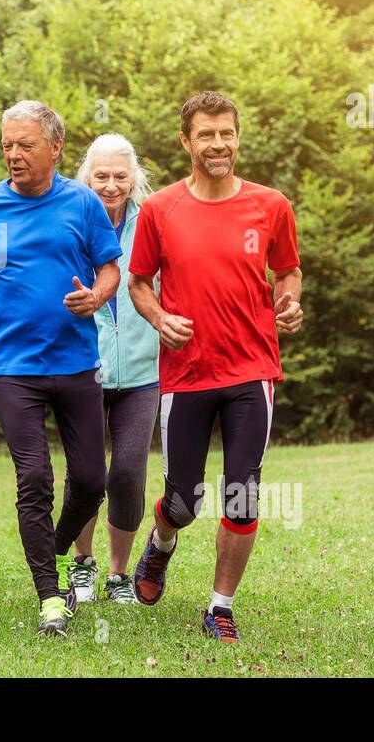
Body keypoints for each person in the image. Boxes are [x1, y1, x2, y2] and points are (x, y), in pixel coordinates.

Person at [127, 91, 304, 643]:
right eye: (206, 134)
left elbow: (288, 271)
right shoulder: (160, 210)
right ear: (187, 141)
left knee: (242, 491)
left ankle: (220, 607)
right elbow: (137, 283)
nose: (219, 143)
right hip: (187, 374)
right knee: (183, 501)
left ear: (237, 136)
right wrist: (159, 318)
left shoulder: (270, 205)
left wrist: (290, 300)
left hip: (252, 371)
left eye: (226, 132)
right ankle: (160, 546)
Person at [0, 100, 122, 637]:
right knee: (35, 478)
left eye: (25, 145)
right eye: (7, 146)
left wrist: (96, 297)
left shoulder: (83, 204)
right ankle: (49, 596)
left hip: (75, 362)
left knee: (91, 480)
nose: (14, 155)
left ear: (56, 148)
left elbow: (110, 268)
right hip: (11, 366)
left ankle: (55, 549)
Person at [65, 133, 161, 605]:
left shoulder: (152, 222)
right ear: (87, 177)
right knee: (85, 473)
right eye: (100, 176)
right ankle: (82, 564)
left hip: (144, 369)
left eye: (120, 176)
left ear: (134, 178)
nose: (110, 185)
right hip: (82, 365)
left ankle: (119, 572)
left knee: (127, 472)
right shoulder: (70, 219)